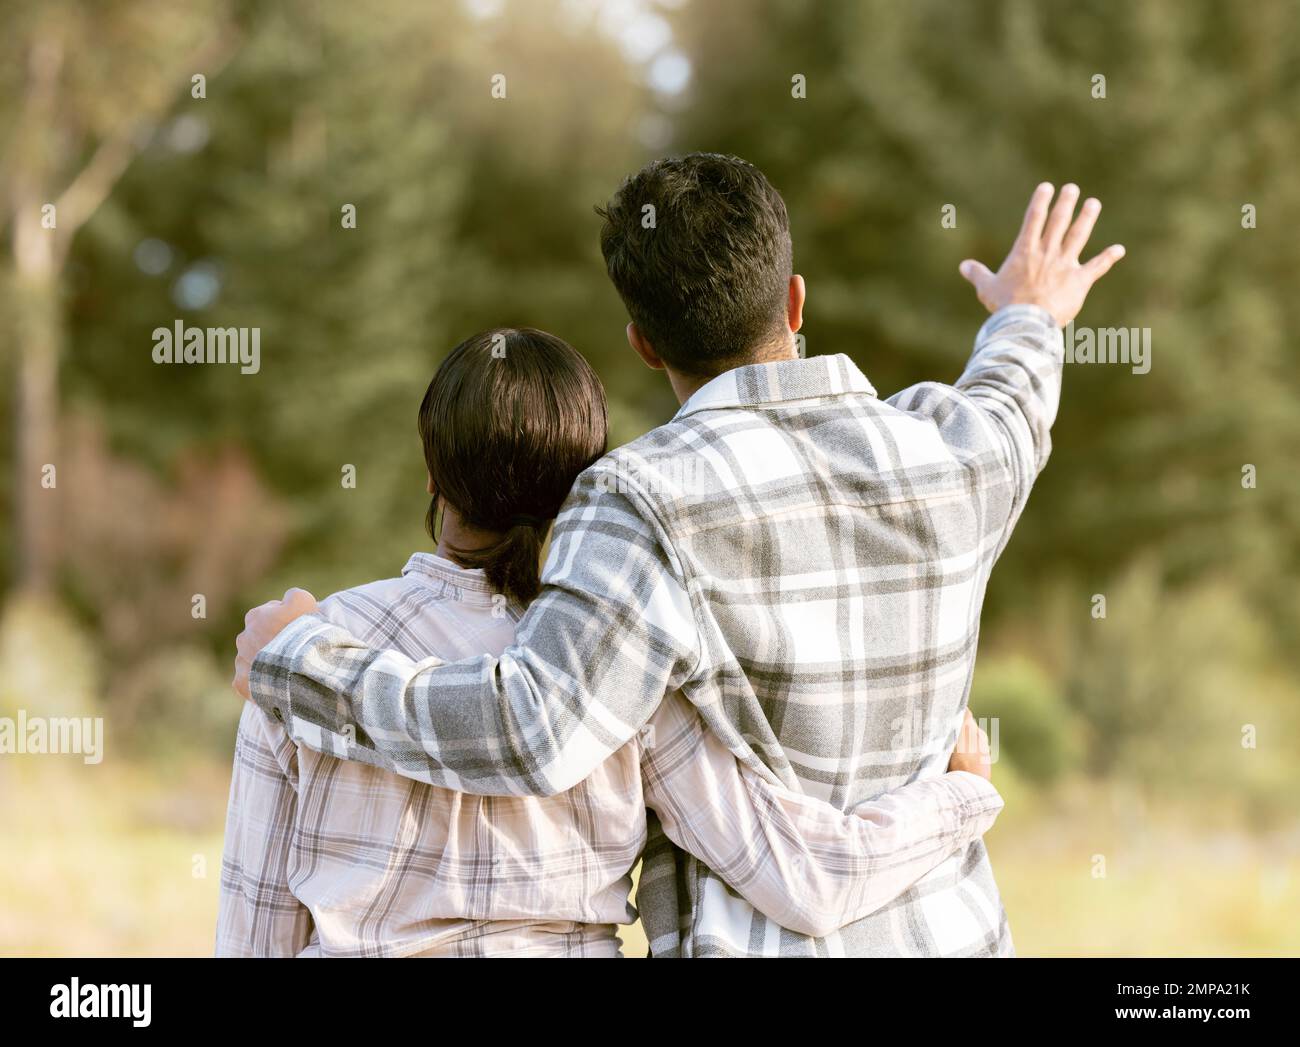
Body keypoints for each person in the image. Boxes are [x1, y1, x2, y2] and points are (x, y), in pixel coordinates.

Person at [233, 155, 1123, 956]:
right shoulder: (953, 454)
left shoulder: (640, 501)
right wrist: (1033, 314)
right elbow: (1013, 400)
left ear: (644, 343)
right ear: (796, 300)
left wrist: (304, 657)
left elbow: (531, 729)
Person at [217, 327, 1003, 957]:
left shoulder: (301, 653)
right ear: (584, 478)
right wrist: (958, 794)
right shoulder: (625, 671)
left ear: (432, 475)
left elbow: (254, 929)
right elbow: (803, 876)